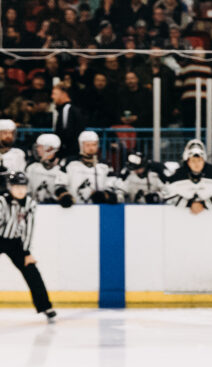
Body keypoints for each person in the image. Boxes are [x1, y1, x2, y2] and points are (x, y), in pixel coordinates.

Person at [0, 170, 54, 320]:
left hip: (15, 242)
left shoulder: (30, 203)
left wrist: (27, 252)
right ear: (10, 187)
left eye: (23, 187)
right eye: (16, 186)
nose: (20, 190)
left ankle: (45, 306)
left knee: (31, 271)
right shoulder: (2, 201)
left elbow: (29, 228)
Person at [162, 139, 212, 213]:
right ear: (187, 161)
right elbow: (167, 196)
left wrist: (204, 205)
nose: (196, 164)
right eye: (193, 161)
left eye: (199, 160)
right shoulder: (176, 175)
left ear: (204, 160)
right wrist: (188, 204)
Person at [64, 131, 123, 205]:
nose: (91, 148)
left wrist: (105, 195)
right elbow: (61, 184)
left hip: (97, 209)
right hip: (74, 207)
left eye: (94, 145)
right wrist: (64, 196)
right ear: (81, 146)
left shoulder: (104, 165)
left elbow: (112, 184)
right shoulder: (71, 163)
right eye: (88, 145)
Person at [26, 134, 70, 207]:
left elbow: (61, 190)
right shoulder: (32, 168)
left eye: (40, 147)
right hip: (33, 208)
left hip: (53, 209)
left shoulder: (61, 169)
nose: (37, 149)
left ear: (49, 149)